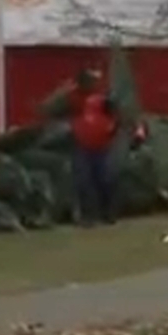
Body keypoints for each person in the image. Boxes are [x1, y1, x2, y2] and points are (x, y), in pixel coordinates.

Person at [65, 68, 121, 225]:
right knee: (84, 182)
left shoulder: (102, 99)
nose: (92, 84)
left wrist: (112, 128)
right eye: (89, 81)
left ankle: (108, 214)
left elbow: (116, 114)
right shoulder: (74, 98)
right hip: (82, 146)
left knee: (105, 180)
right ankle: (87, 217)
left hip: (101, 146)